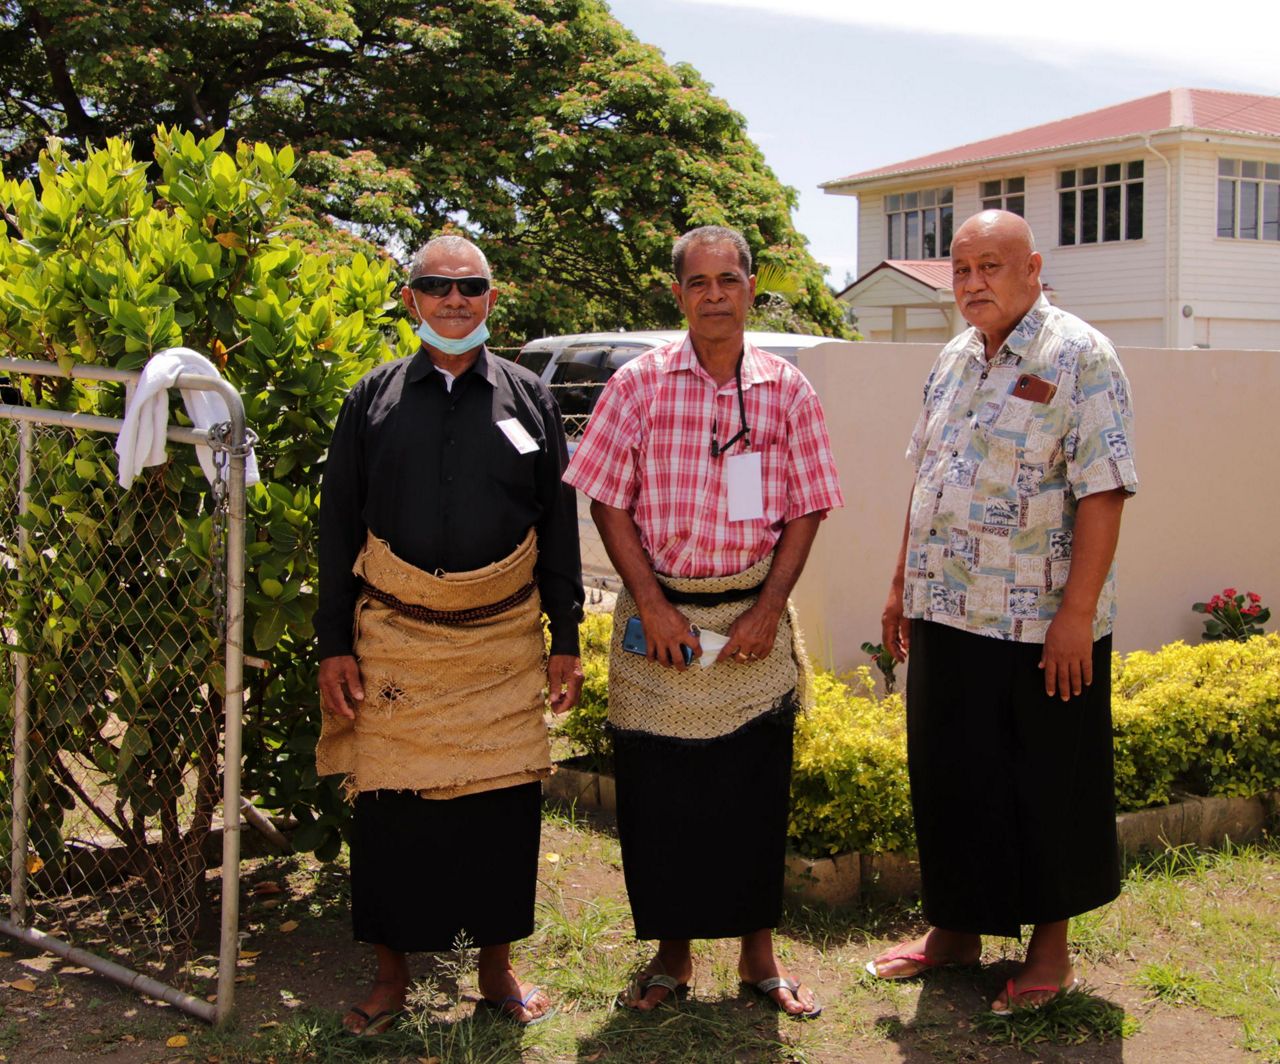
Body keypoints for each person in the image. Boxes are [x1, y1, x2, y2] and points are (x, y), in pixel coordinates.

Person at [564, 225, 843, 1018]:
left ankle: (759, 956)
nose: (714, 295)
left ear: (752, 288)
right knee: (662, 798)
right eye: (698, 282)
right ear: (677, 293)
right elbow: (606, 497)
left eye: (729, 279)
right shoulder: (640, 385)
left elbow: (807, 506)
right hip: (662, 626)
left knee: (754, 793)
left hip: (753, 623)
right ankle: (671, 957)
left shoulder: (787, 389)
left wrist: (764, 612)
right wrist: (651, 605)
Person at [869, 210, 1138, 1014]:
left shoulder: (1082, 356)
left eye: (991, 266)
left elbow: (1105, 488)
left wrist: (1074, 616)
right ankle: (956, 930)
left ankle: (1048, 948)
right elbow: (927, 480)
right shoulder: (954, 358)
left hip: (1040, 626)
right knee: (951, 777)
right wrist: (898, 587)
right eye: (962, 270)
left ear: (1033, 268)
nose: (974, 283)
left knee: (1045, 783)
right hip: (947, 609)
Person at [314, 234, 584, 1033]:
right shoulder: (372, 400)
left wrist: (565, 634)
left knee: (501, 810)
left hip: (502, 645)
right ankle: (391, 978)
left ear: (492, 301)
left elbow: (559, 526)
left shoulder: (530, 399)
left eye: (471, 288)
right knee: (392, 809)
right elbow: (337, 528)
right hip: (395, 642)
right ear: (412, 300)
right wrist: (333, 642)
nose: (454, 300)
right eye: (437, 286)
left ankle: (496, 971)